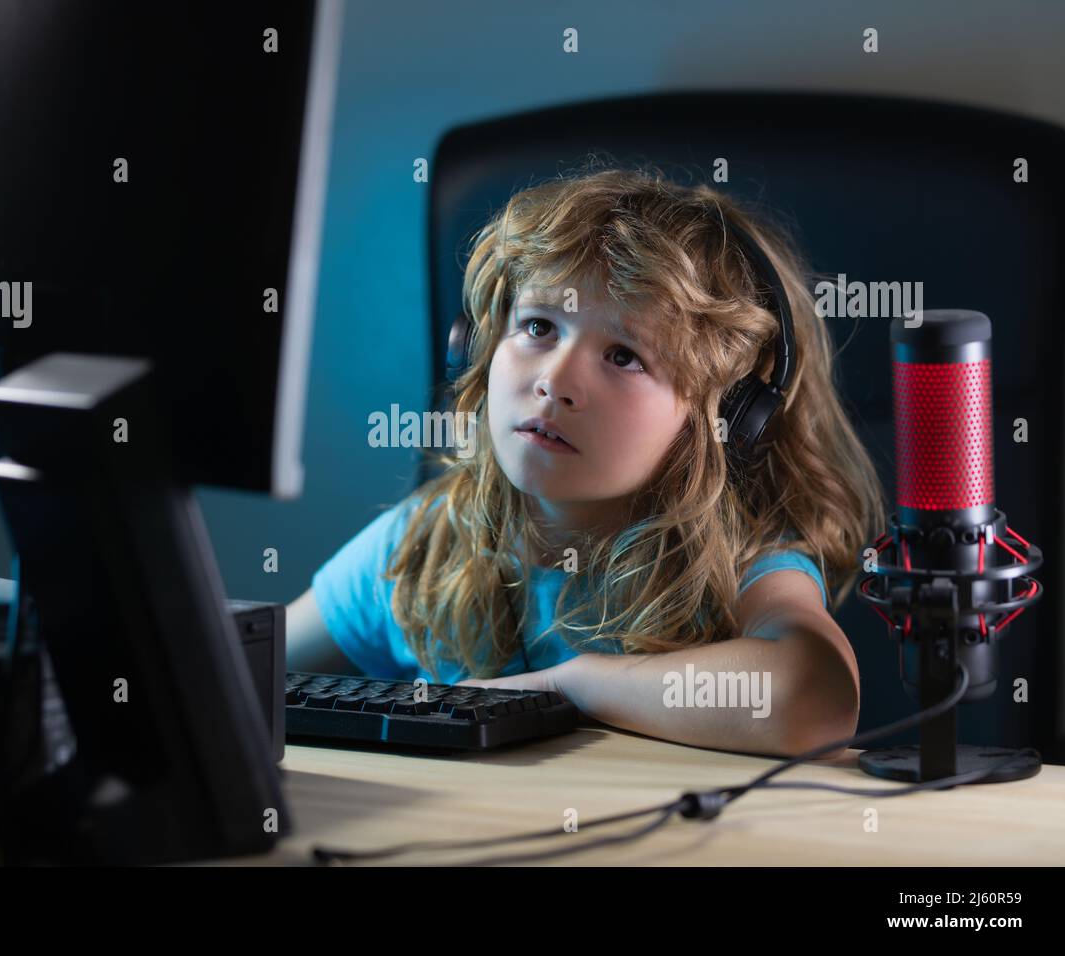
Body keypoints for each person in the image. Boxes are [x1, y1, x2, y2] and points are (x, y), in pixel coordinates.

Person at [287, 164, 886, 758]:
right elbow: (233, 668)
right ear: (477, 344)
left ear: (720, 417)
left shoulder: (737, 562)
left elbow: (815, 698)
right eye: (539, 326)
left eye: (624, 356)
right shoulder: (424, 542)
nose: (554, 381)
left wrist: (569, 685)